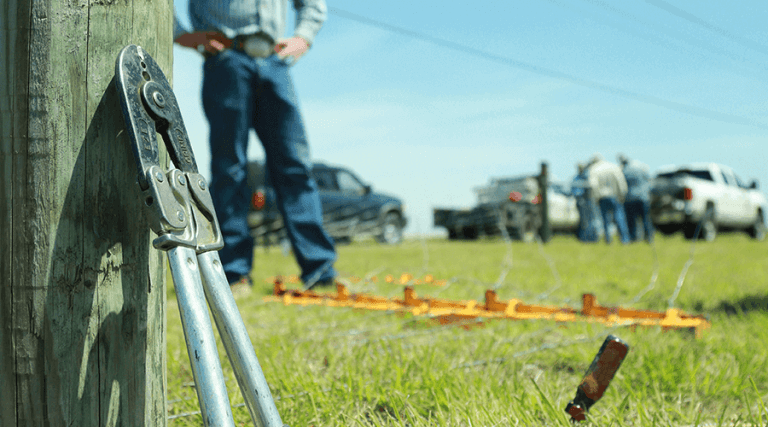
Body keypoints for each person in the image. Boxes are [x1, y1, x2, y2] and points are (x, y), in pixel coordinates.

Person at [173, 0, 337, 290]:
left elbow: (312, 5)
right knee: (230, 169)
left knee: (295, 166)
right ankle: (234, 273)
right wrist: (181, 34)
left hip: (275, 62)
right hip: (226, 59)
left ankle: (320, 271)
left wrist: (304, 37)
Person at [587, 154, 630, 244]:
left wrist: (595, 197)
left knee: (605, 219)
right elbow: (621, 182)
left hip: (602, 197)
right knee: (619, 217)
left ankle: (608, 240)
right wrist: (622, 194)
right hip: (614, 196)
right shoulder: (613, 166)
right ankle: (624, 239)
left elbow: (593, 185)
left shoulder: (594, 169)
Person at [618, 154, 654, 243]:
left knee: (631, 221)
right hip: (643, 197)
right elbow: (649, 182)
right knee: (645, 219)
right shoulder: (640, 169)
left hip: (629, 199)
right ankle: (649, 237)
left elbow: (621, 186)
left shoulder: (623, 171)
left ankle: (633, 238)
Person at [571, 163, 601, 242]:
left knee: (592, 220)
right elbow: (573, 190)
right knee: (584, 221)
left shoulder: (587, 176)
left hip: (589, 201)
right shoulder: (576, 178)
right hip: (581, 201)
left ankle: (593, 237)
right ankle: (585, 238)